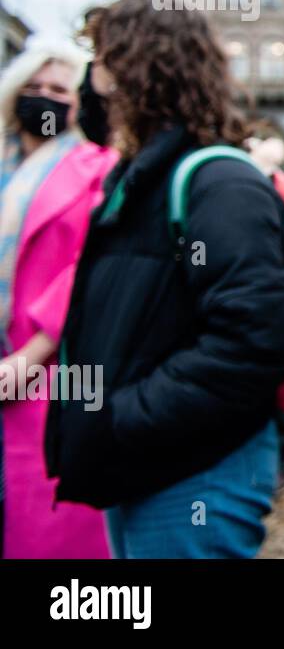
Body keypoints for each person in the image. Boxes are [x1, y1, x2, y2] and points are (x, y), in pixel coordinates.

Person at [45, 0, 284, 559]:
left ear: (140, 70)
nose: (93, 82)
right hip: (139, 466)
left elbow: (252, 344)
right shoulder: (134, 184)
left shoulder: (219, 183)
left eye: (104, 60)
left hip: (193, 476)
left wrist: (120, 416)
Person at [0, 35, 117, 558]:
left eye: (58, 90)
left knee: (43, 530)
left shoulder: (97, 166)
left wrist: (31, 355)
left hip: (45, 368)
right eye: (34, 86)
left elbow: (87, 265)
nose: (43, 98)